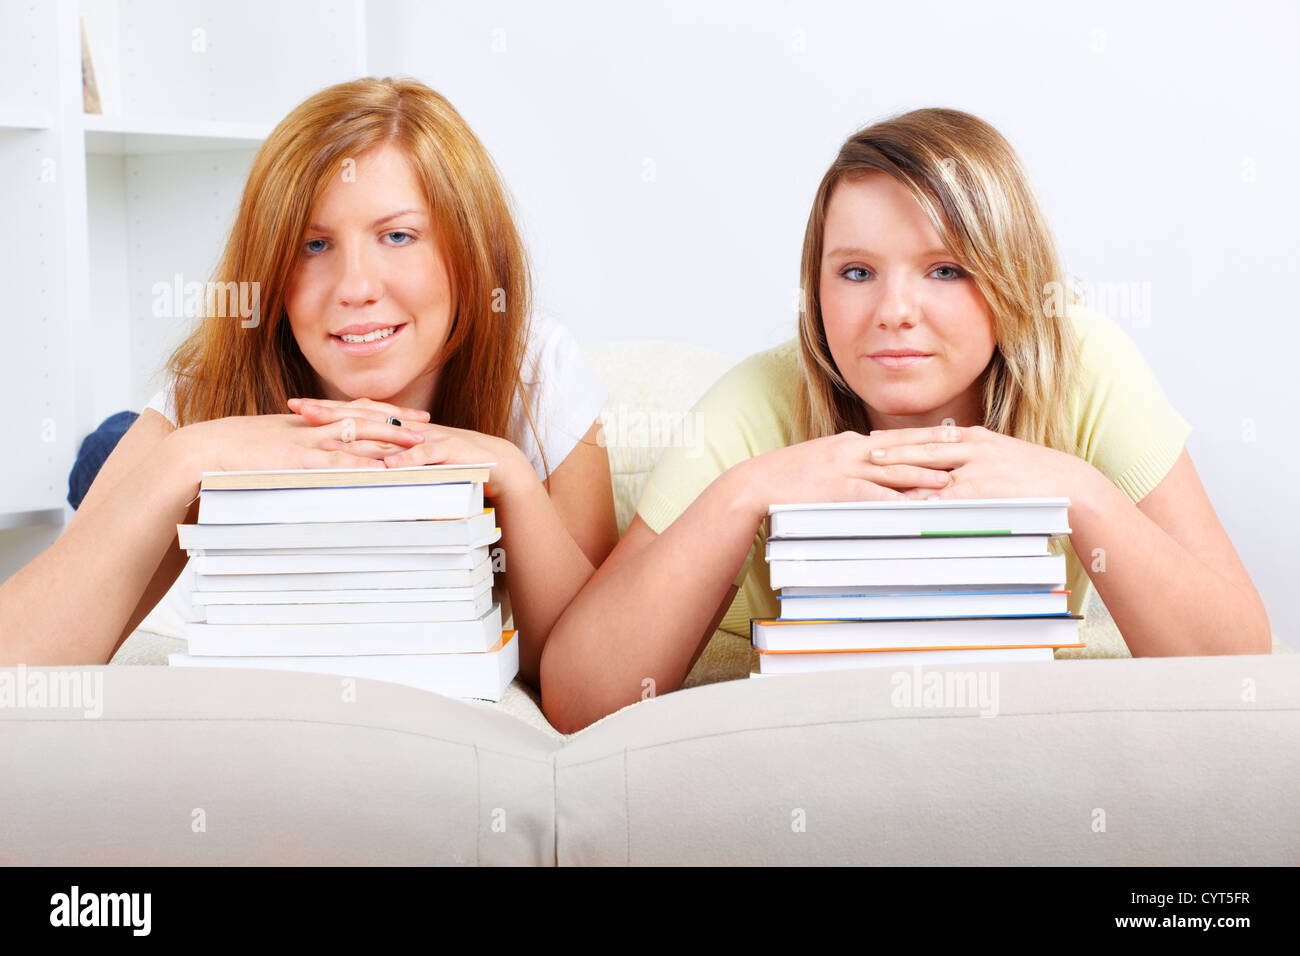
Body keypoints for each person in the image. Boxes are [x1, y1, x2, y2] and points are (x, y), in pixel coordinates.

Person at [540, 107, 1272, 734]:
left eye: (945, 269)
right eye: (856, 273)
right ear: (816, 290)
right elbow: (579, 694)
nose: (893, 310)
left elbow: (1239, 665)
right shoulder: (755, 401)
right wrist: (745, 492)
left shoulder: (1084, 367)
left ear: (1010, 278)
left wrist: (1076, 490)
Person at [0, 77, 619, 687]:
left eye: (398, 235)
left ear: (470, 250)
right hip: (165, 455)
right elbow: (17, 668)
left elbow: (581, 668)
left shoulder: (537, 371)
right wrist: (189, 454)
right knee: (107, 456)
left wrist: (512, 476)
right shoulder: (208, 391)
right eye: (314, 245)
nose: (355, 288)